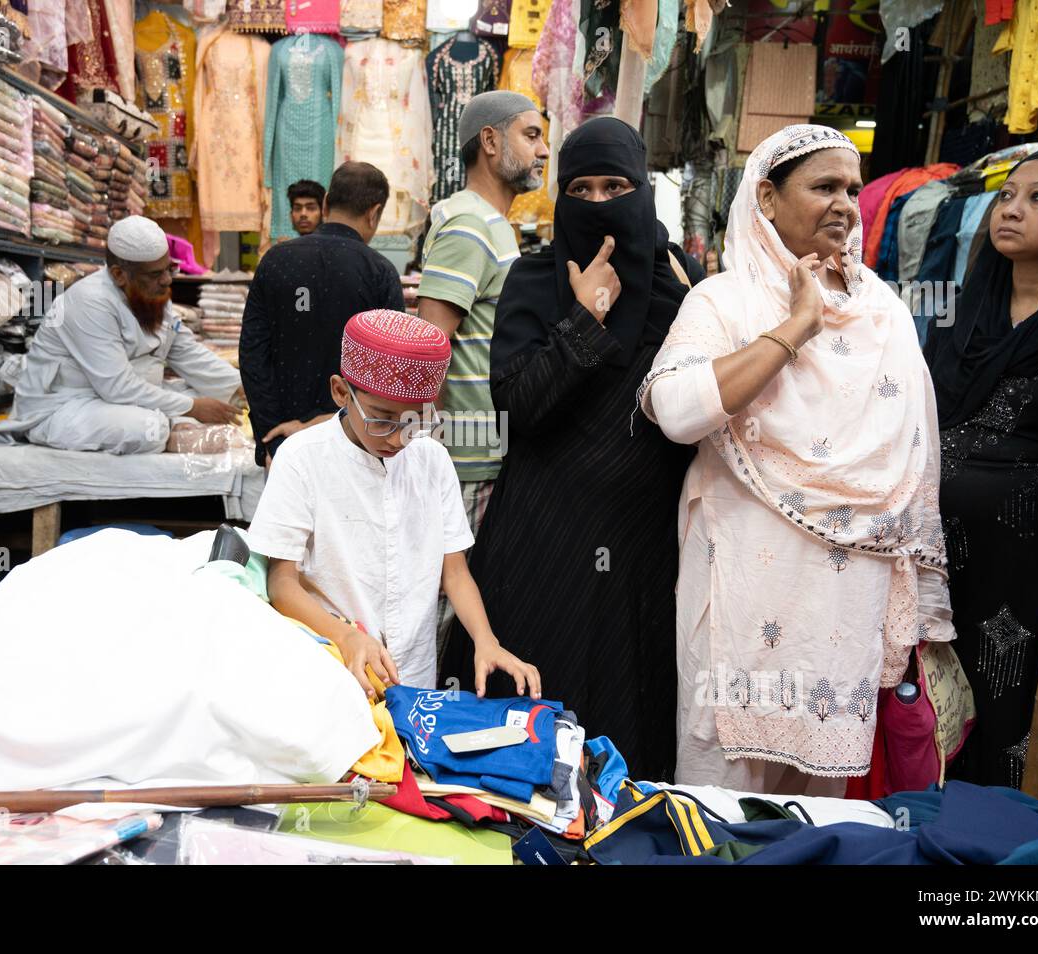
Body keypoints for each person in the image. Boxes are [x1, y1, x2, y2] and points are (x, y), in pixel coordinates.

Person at [641, 124, 957, 795]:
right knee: (724, 789)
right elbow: (676, 411)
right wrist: (796, 327)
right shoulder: (724, 299)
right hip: (743, 583)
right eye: (824, 187)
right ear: (767, 199)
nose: (845, 204)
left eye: (851, 189)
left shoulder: (883, 311)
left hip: (847, 596)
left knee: (820, 796)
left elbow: (915, 456)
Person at [439, 119, 699, 781]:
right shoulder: (533, 279)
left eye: (615, 186)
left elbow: (699, 413)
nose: (598, 202)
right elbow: (517, 409)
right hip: (539, 541)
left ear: (643, 189)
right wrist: (584, 321)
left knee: (622, 736)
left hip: (638, 556)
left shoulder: (684, 286)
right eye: (580, 189)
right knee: (521, 740)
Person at [925, 146, 1038, 810]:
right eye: (1007, 196)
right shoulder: (967, 308)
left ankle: (1014, 831)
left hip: (1031, 557)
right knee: (937, 700)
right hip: (938, 549)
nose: (1012, 210)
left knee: (1015, 703)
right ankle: (932, 824)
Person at [246, 309, 540, 698]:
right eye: (382, 420)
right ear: (340, 392)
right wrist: (346, 638)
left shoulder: (432, 459)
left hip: (413, 672)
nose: (398, 438)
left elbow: (454, 573)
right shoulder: (302, 458)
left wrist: (486, 640)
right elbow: (282, 583)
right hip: (333, 664)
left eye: (414, 422)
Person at [0, 216, 243, 454]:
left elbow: (185, 351)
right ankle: (170, 431)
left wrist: (241, 387)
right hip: (64, 405)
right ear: (119, 274)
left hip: (117, 400)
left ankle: (174, 426)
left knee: (211, 397)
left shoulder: (152, 293)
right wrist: (192, 408)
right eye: (156, 274)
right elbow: (116, 387)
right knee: (146, 428)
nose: (167, 280)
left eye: (170, 269)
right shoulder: (89, 301)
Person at [417, 90, 549, 534]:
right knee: (455, 577)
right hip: (465, 461)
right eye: (531, 135)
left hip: (487, 451)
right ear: (490, 141)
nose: (543, 151)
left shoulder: (492, 224)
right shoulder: (470, 225)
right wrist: (430, 453)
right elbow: (429, 345)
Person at [241, 162, 404, 467]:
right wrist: (329, 422)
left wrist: (271, 438)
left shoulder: (275, 260)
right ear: (374, 213)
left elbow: (252, 355)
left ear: (326, 203)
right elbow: (387, 372)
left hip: (281, 444)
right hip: (355, 445)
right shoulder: (379, 272)